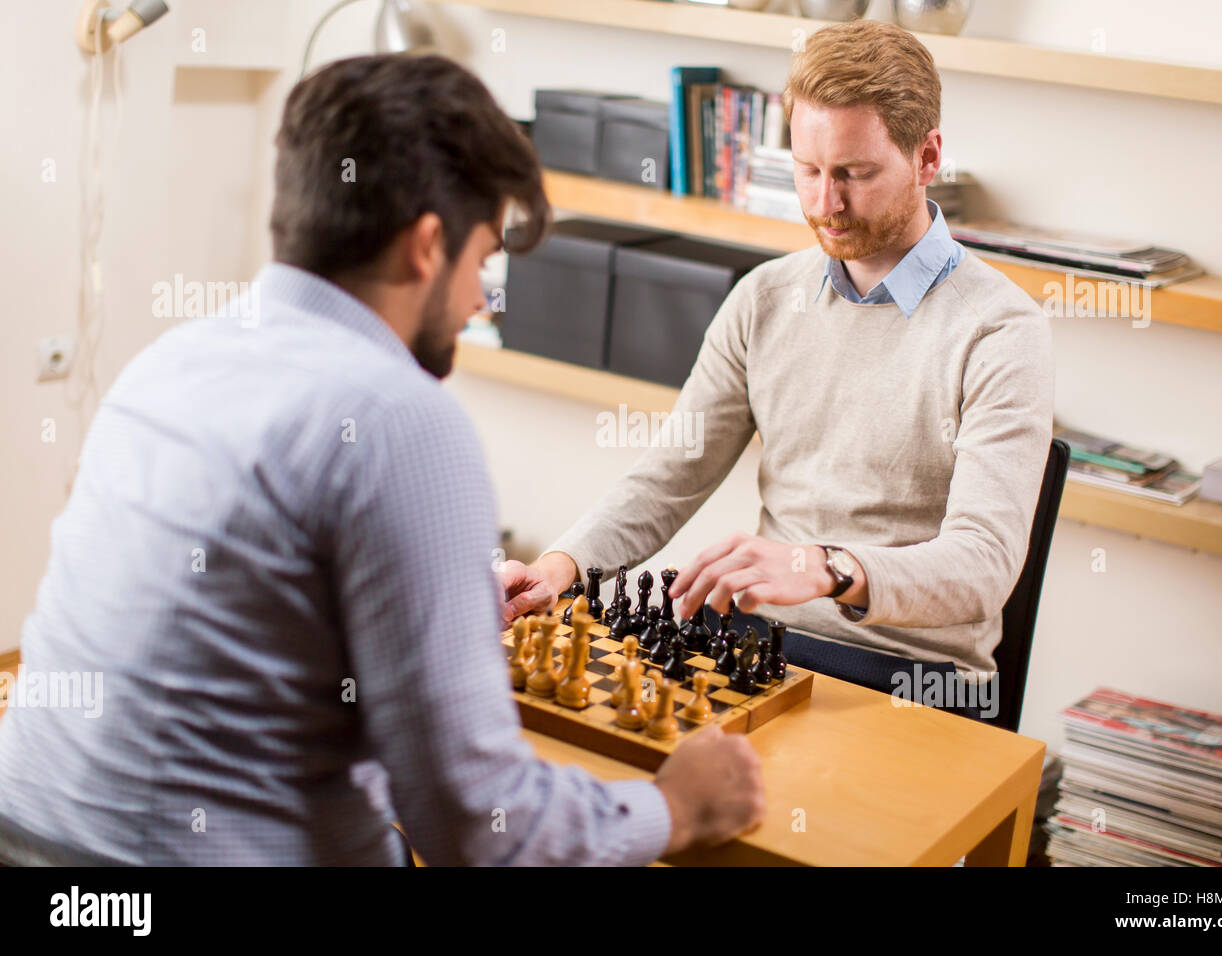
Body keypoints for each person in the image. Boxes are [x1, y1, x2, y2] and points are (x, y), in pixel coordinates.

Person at [0, 54, 763, 866]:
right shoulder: (398, 418)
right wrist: (671, 808)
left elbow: (239, 613)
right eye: (483, 264)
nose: (480, 301)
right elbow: (476, 826)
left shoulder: (170, 361)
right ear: (428, 246)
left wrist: (443, 601)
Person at [522, 20, 1054, 719]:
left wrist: (822, 567)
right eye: (808, 171)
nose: (825, 204)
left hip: (913, 675)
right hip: (761, 645)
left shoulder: (1002, 330)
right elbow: (667, 478)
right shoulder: (765, 298)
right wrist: (554, 572)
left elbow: (983, 567)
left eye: (855, 175)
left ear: (927, 158)